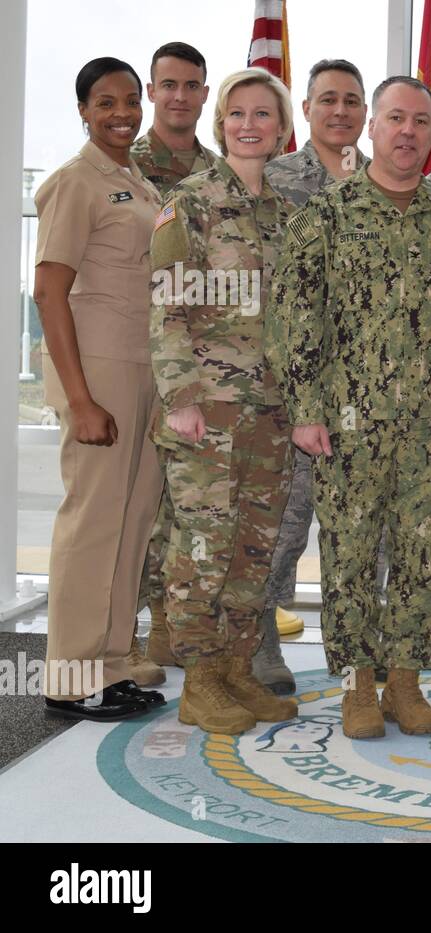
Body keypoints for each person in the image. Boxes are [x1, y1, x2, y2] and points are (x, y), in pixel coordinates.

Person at [266, 76, 431, 740]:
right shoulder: (328, 215)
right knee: (349, 554)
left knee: (422, 553)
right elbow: (294, 320)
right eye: (395, 118)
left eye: (419, 122)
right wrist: (307, 408)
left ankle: (404, 680)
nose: (406, 132)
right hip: (347, 422)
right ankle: (356, 685)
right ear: (373, 126)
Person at [150, 68, 298, 735]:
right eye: (237, 113)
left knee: (251, 549)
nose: (248, 124)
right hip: (206, 410)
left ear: (280, 127)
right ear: (222, 123)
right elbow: (167, 304)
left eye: (262, 114)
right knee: (202, 549)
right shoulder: (192, 199)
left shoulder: (287, 214)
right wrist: (180, 397)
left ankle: (238, 667)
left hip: (271, 410)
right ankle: (199, 681)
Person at [36, 58, 165, 721]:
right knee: (92, 524)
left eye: (131, 100)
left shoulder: (136, 183)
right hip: (101, 374)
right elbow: (49, 291)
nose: (122, 112)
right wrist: (80, 398)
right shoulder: (74, 183)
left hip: (145, 371)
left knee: (131, 523)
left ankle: (111, 666)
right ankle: (68, 678)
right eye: (105, 102)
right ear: (83, 110)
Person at [258, 58, 371, 695]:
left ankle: (357, 654)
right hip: (293, 388)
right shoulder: (275, 181)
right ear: (305, 111)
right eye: (327, 99)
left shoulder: (385, 184)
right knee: (285, 521)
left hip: (369, 390)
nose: (340, 111)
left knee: (359, 529)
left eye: (352, 101)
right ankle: (262, 639)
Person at [132, 41, 218, 676]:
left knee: (181, 506)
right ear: (152, 92)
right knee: (132, 503)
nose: (180, 96)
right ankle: (122, 636)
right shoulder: (124, 167)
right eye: (169, 85)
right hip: (132, 357)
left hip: (200, 366)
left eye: (192, 85)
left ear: (204, 94)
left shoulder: (217, 175)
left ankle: (167, 625)